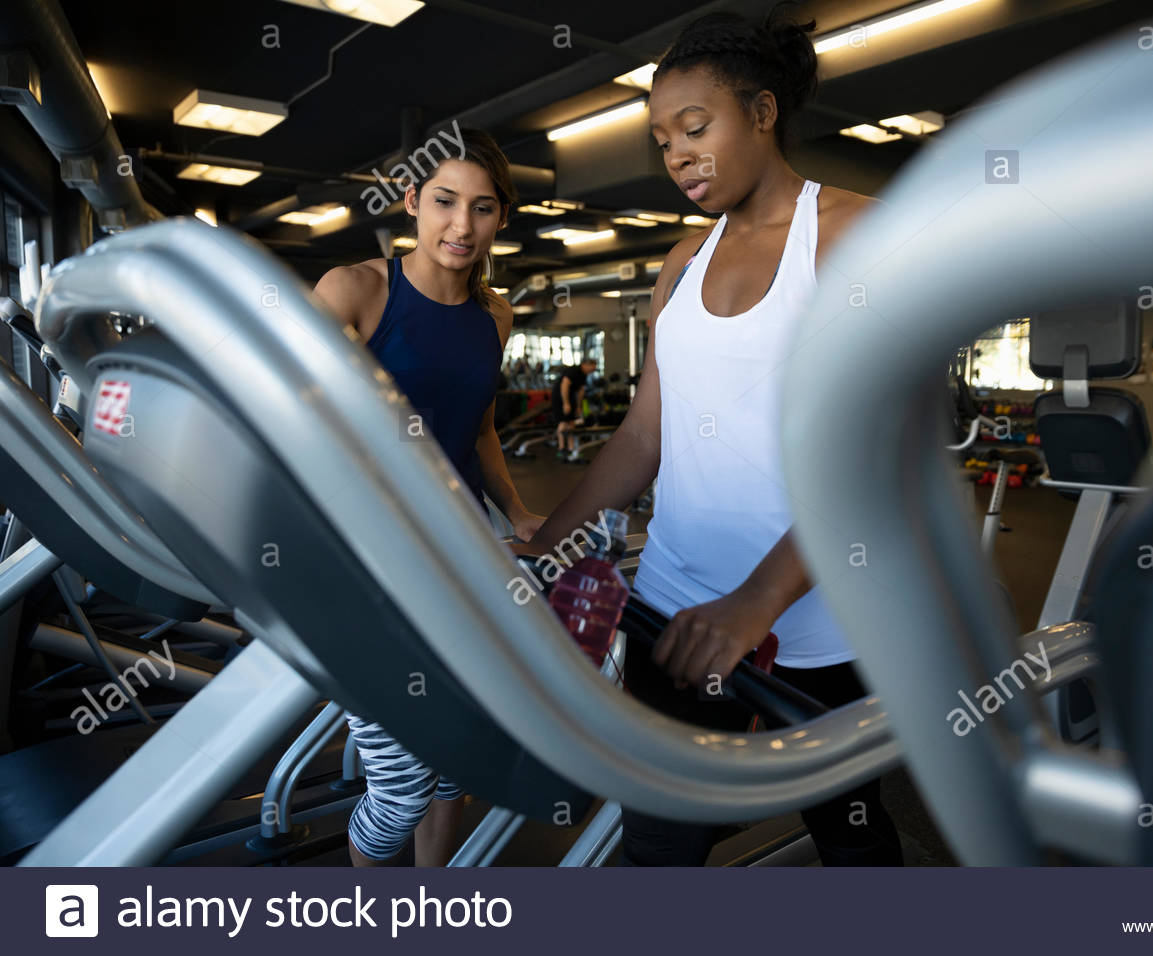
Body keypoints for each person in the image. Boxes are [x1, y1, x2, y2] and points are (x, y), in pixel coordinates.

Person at [523, 5, 903, 866]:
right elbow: (642, 436)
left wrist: (755, 606)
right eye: (662, 141)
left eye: (696, 127)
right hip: (671, 604)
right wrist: (542, 553)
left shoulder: (854, 234)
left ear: (763, 113)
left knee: (849, 829)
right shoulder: (681, 261)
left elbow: (877, 462)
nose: (679, 155)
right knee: (660, 838)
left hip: (812, 624)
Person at [313, 128, 546, 867]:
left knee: (459, 760)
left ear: (501, 218)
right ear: (411, 200)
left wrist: (517, 513)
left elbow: (477, 428)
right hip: (363, 560)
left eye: (483, 209)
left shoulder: (495, 316)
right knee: (402, 787)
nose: (461, 226)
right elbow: (299, 428)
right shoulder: (355, 291)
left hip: (460, 550)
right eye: (444, 202)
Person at [552, 358, 596, 459]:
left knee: (571, 423)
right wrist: (566, 403)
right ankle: (561, 448)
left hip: (570, 396)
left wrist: (578, 406)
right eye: (592, 368)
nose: (592, 371)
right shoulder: (574, 371)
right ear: (585, 364)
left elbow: (581, 391)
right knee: (563, 422)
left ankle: (571, 449)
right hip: (560, 396)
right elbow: (564, 385)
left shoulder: (584, 375)